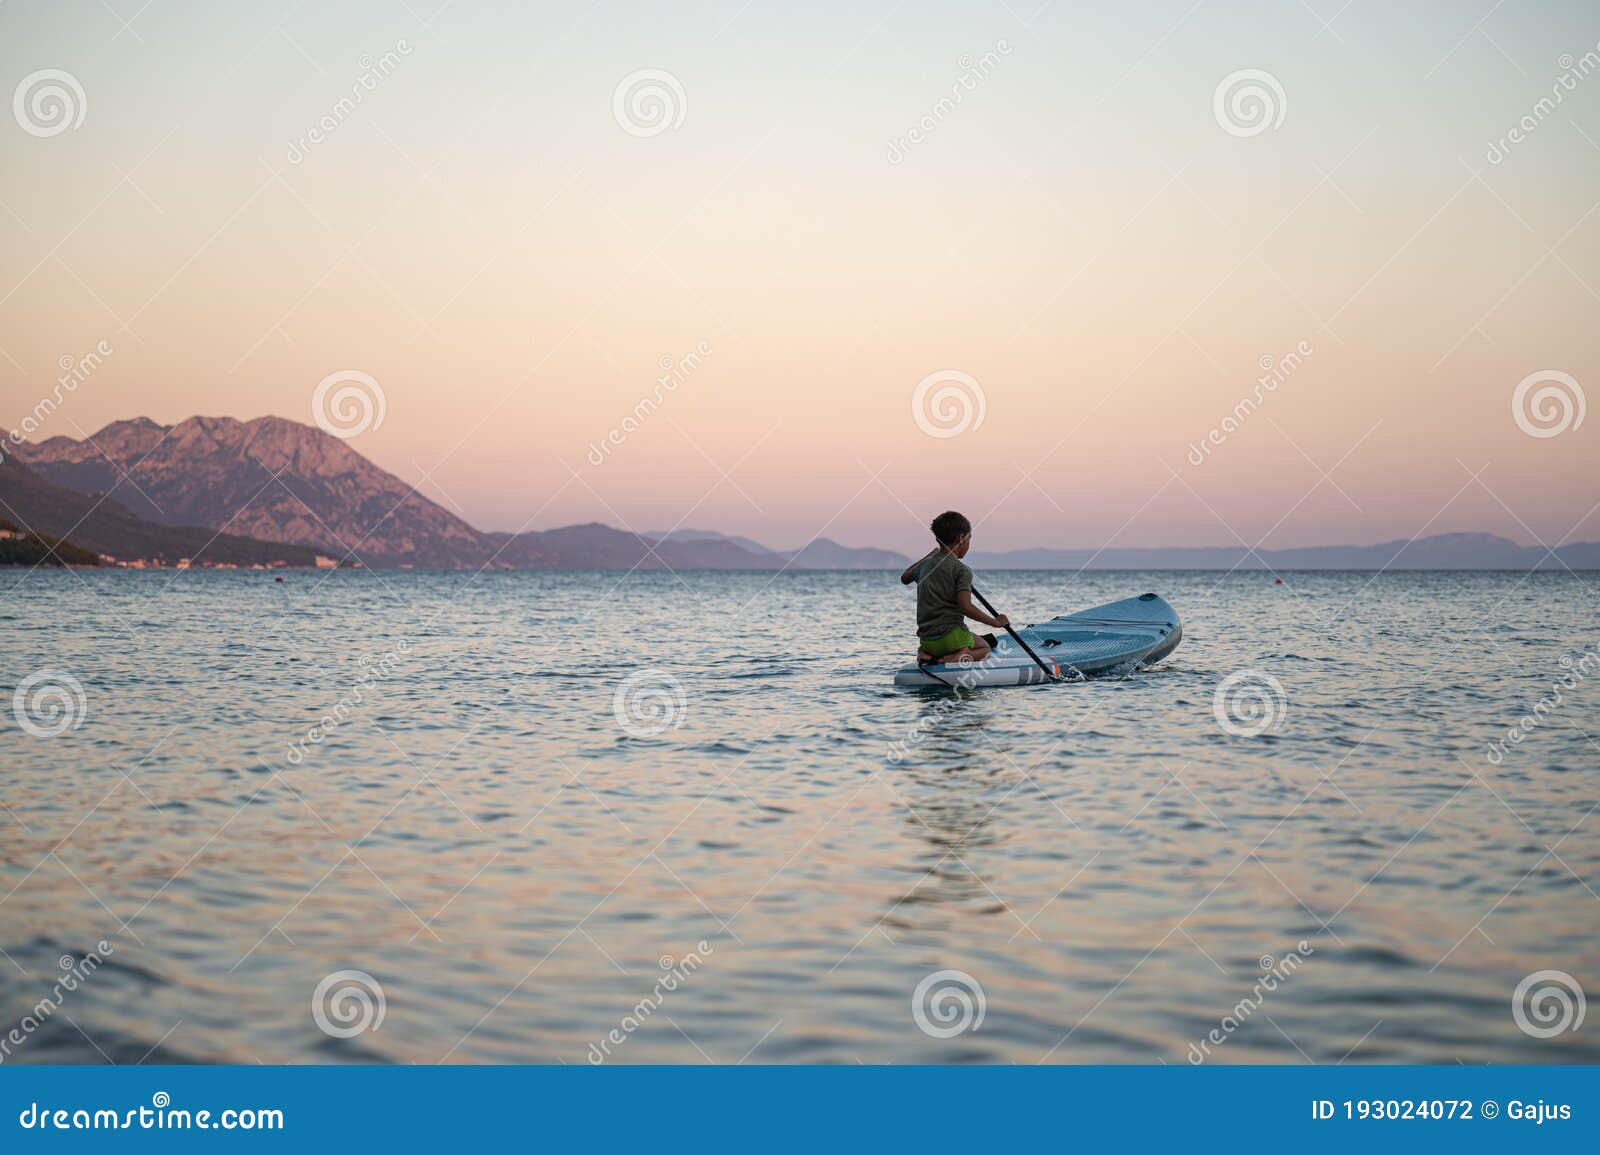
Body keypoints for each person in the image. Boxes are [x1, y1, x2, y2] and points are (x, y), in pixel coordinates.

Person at [899, 510, 1009, 665]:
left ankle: (924, 653)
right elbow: (966, 607)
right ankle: (958, 656)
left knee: (959, 640)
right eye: (969, 539)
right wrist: (995, 622)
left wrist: (929, 556)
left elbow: (904, 578)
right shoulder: (961, 570)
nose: (969, 544)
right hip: (952, 638)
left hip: (927, 640)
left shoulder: (925, 565)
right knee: (985, 648)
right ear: (961, 538)